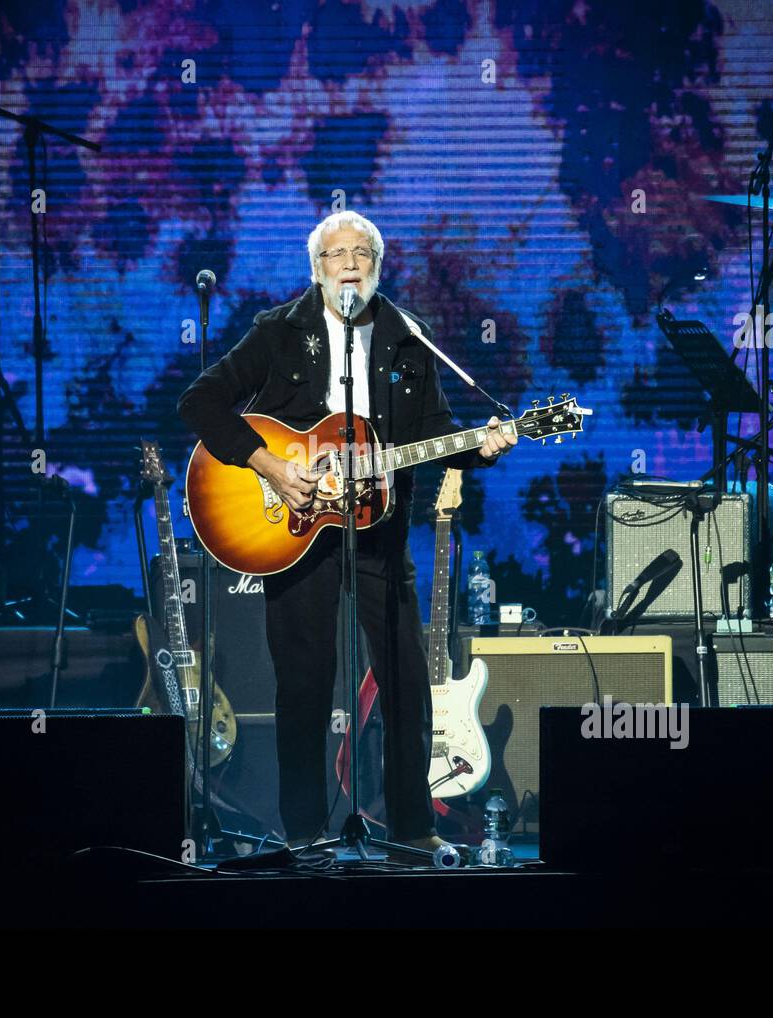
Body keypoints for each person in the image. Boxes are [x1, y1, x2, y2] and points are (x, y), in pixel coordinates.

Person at [179, 211, 516, 853]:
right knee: (303, 686)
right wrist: (272, 466)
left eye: (364, 252)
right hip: (293, 533)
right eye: (337, 254)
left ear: (379, 267)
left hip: (381, 536)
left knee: (408, 686)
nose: (351, 262)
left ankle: (414, 832)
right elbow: (199, 402)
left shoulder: (409, 340)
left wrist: (483, 447)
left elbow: (431, 436)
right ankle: (305, 833)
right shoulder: (279, 332)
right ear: (317, 269)